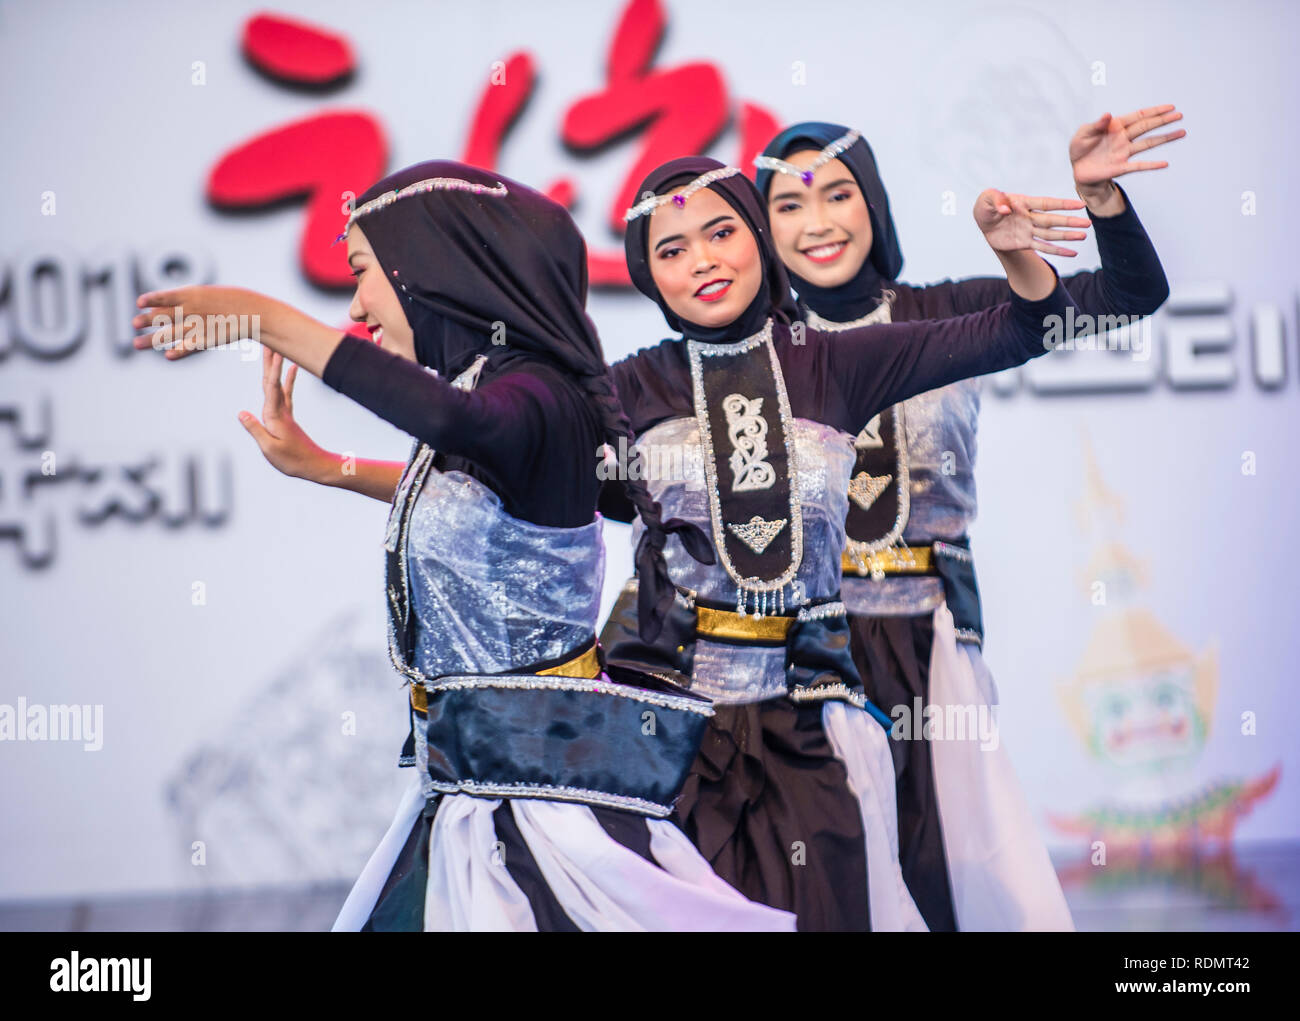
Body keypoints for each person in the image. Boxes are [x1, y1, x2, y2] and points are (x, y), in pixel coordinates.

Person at [132, 160, 795, 932]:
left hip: (542, 805)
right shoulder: (494, 392)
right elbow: (468, 506)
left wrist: (265, 319)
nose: (354, 305)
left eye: (362, 275)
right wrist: (326, 467)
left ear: (428, 272)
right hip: (468, 790)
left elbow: (460, 429)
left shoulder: (534, 395)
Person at [596, 155, 1084, 930]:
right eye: (672, 250)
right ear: (649, 277)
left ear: (757, 237)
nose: (704, 261)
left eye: (721, 232)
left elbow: (1039, 322)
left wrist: (1015, 250)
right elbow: (510, 457)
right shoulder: (622, 390)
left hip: (811, 715)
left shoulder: (834, 361)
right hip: (674, 730)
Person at [749, 112, 1177, 930]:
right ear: (764, 229)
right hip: (799, 653)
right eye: (790, 206)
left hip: (928, 645)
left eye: (838, 194)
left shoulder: (950, 310)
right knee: (824, 884)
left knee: (948, 877)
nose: (818, 223)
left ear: (872, 203)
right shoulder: (756, 352)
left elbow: (1130, 295)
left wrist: (1099, 197)